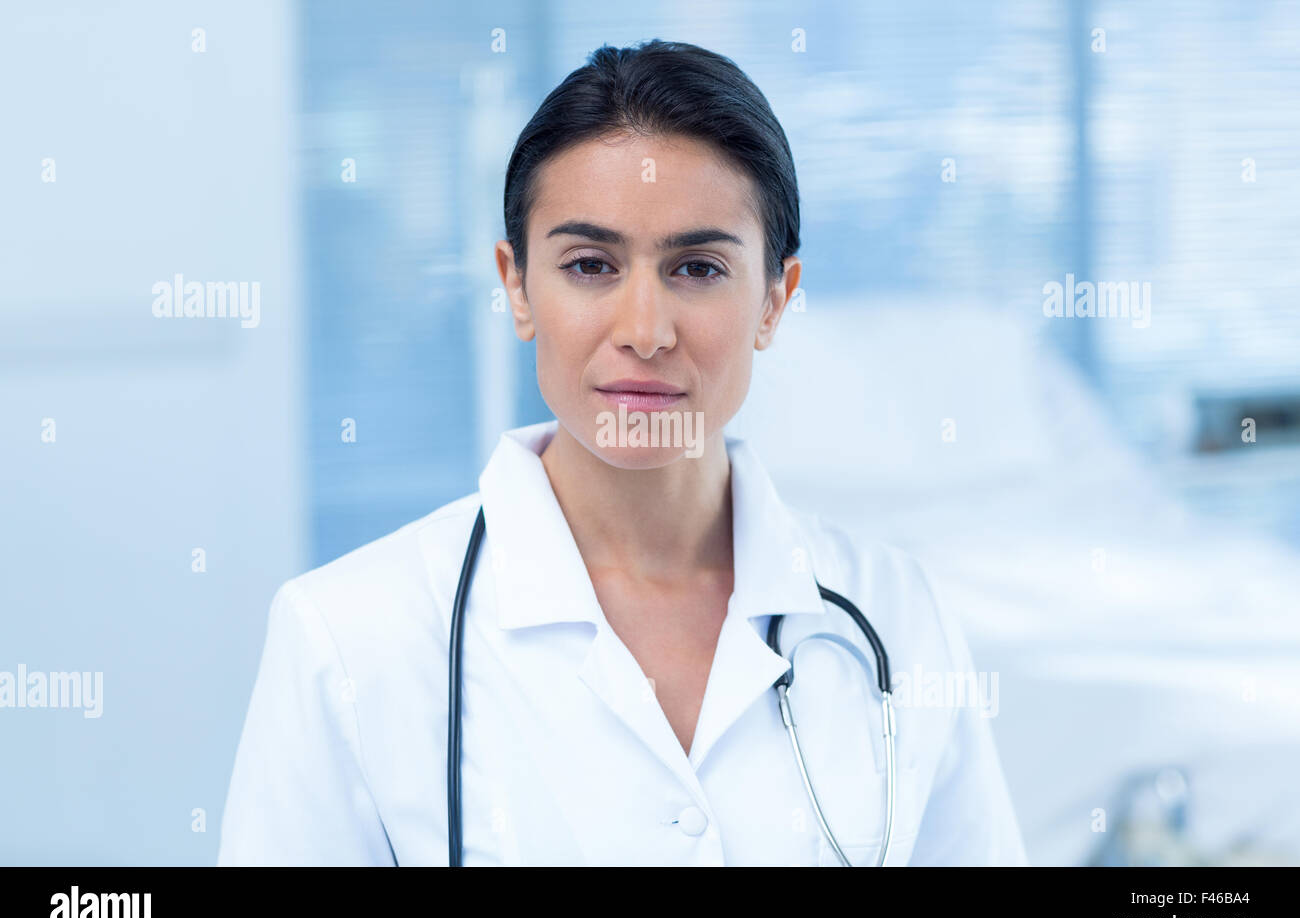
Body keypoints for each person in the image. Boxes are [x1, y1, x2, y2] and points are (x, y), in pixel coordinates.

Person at [217, 38, 1028, 866]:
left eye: (699, 268)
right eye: (591, 265)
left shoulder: (895, 618)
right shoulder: (350, 636)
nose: (644, 331)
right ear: (518, 287)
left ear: (775, 302)